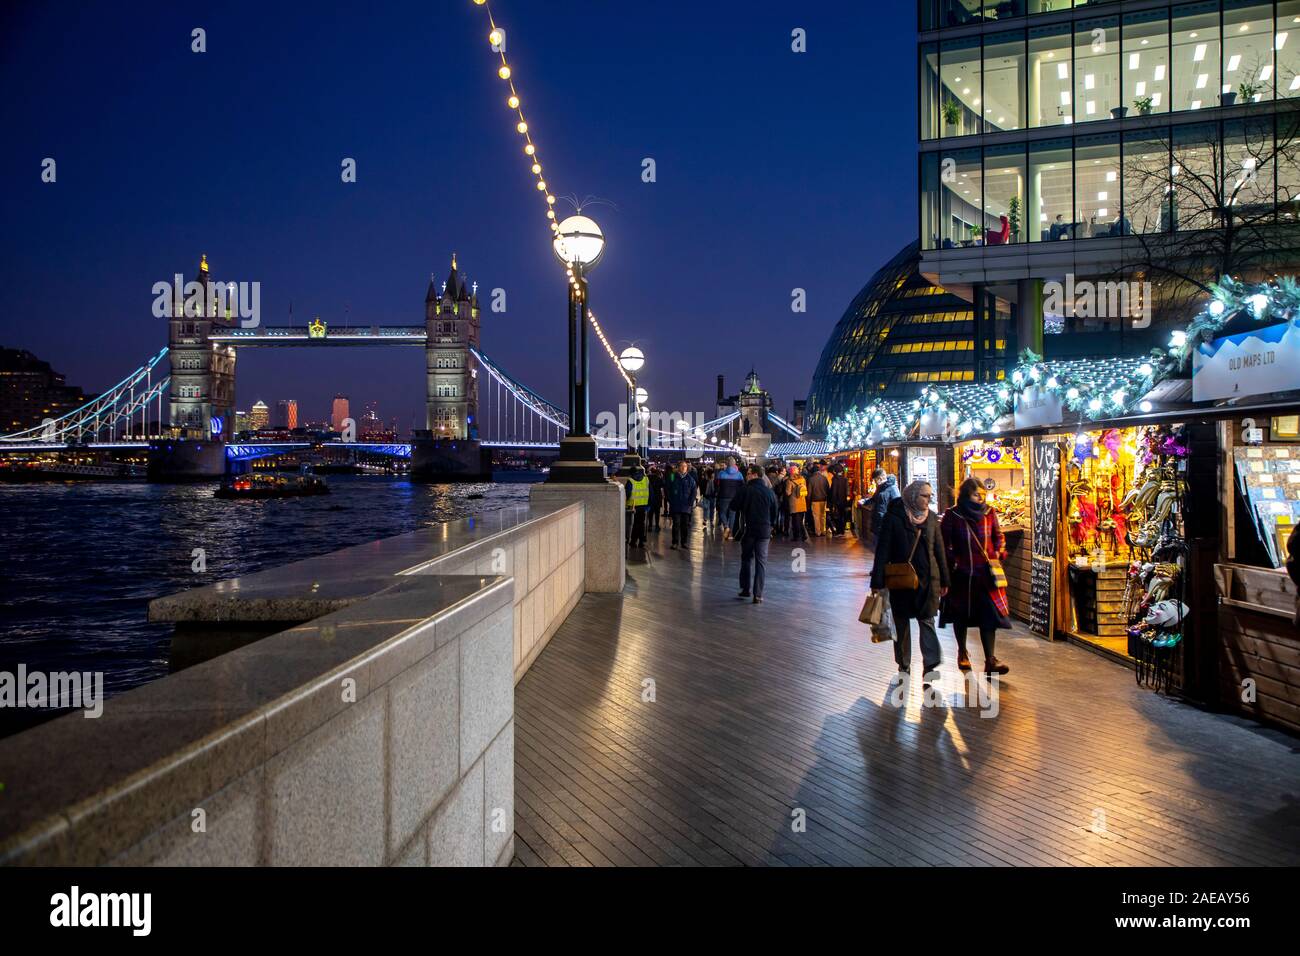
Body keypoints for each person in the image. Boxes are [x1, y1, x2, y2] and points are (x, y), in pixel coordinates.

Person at [870, 480, 949, 684]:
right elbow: (883, 550)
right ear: (913, 496)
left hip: (928, 580)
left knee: (927, 622)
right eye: (924, 495)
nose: (928, 499)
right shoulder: (894, 518)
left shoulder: (931, 518)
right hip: (901, 581)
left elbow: (939, 550)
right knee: (902, 625)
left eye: (930, 495)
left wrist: (945, 579)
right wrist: (877, 580)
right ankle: (903, 665)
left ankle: (930, 666)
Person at [940, 478, 1011, 675]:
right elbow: (944, 544)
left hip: (986, 575)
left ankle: (990, 660)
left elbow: (999, 537)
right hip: (961, 576)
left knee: (988, 616)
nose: (980, 498)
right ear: (965, 495)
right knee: (960, 615)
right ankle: (962, 652)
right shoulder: (952, 515)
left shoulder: (989, 513)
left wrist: (997, 554)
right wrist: (954, 561)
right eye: (975, 494)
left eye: (982, 494)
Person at [732, 464, 779, 603]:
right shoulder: (769, 492)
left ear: (754, 475)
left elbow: (733, 506)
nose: (746, 476)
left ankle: (745, 588)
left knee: (746, 559)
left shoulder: (745, 489)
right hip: (764, 531)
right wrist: (771, 526)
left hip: (749, 529)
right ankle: (758, 594)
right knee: (761, 562)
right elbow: (775, 511)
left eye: (748, 473)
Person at [667, 460, 698, 549]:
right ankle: (675, 542)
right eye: (682, 466)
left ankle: (684, 542)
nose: (684, 468)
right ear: (678, 467)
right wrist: (670, 500)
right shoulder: (673, 476)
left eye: (685, 466)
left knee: (685, 525)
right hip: (676, 504)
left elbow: (694, 491)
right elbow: (668, 488)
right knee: (676, 524)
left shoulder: (690, 478)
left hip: (686, 506)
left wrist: (690, 502)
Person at [715, 457, 744, 537]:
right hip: (735, 497)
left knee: (722, 513)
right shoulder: (739, 474)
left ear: (727, 464)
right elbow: (742, 486)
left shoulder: (721, 473)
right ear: (734, 464)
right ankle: (731, 534)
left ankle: (726, 526)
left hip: (723, 496)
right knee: (733, 515)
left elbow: (717, 485)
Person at [623, 462, 649, 549]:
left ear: (630, 473)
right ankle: (641, 541)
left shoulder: (630, 481)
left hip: (632, 506)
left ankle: (633, 541)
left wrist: (625, 503)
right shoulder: (646, 479)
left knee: (633, 524)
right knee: (641, 524)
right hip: (643, 505)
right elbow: (651, 492)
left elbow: (628, 493)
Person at [868, 468, 900, 541]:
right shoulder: (880, 487)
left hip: (885, 522)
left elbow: (897, 505)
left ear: (881, 477)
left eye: (876, 480)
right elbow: (875, 499)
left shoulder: (893, 488)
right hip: (878, 521)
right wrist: (867, 501)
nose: (875, 482)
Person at [785, 464, 808, 542]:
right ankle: (804, 535)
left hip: (794, 503)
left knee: (795, 521)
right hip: (802, 502)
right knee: (800, 521)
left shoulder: (789, 480)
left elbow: (788, 492)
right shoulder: (803, 479)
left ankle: (797, 536)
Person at [807, 462, 830, 537]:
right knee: (823, 515)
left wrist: (808, 501)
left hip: (814, 500)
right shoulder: (824, 478)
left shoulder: (811, 479)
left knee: (816, 516)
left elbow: (809, 492)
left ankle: (818, 532)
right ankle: (823, 531)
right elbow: (827, 489)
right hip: (823, 499)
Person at [830, 464, 850, 537]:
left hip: (837, 501)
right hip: (844, 501)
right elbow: (847, 491)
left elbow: (834, 492)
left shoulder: (835, 480)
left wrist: (833, 502)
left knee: (837, 517)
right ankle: (842, 531)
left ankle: (839, 532)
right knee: (843, 516)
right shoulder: (845, 479)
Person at [647, 466, 664, 532]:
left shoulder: (648, 478)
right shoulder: (659, 478)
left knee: (650, 513)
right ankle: (657, 525)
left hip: (650, 497)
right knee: (657, 513)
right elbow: (663, 485)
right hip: (657, 497)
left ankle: (650, 525)